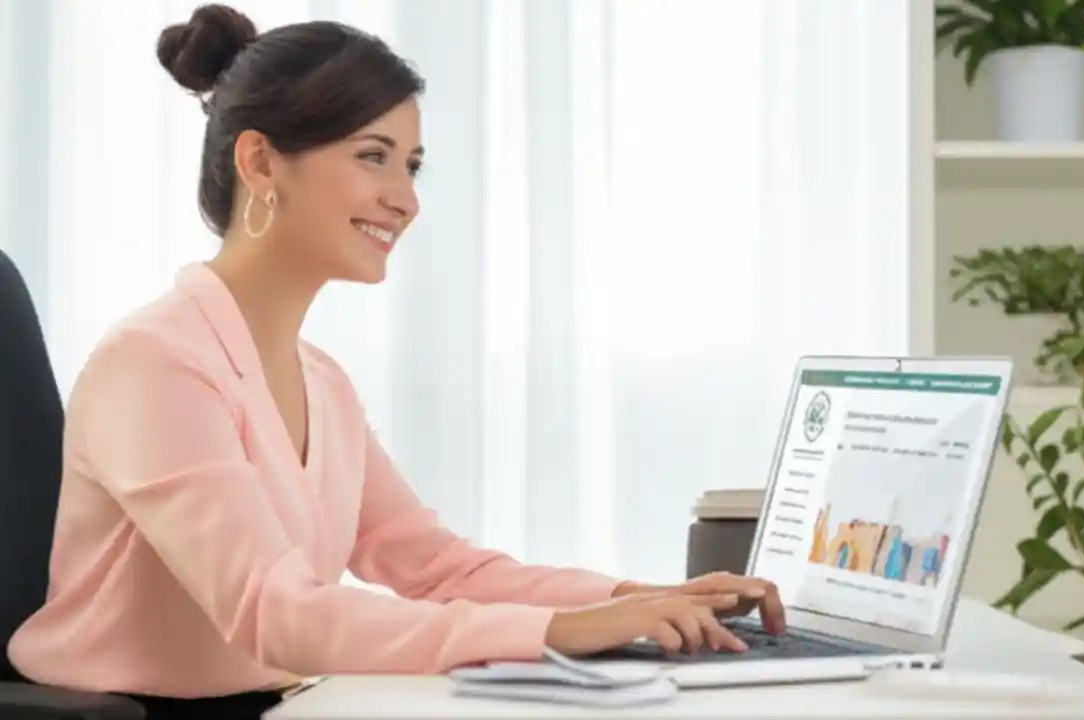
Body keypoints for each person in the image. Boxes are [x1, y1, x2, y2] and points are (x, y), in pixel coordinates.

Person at [4, 5, 785, 718]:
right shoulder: (154, 363)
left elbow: (440, 570)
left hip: (280, 703)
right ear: (261, 164)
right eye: (372, 156)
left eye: (411, 165)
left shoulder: (321, 383)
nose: (405, 199)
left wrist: (639, 597)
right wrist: (567, 628)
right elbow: (275, 613)